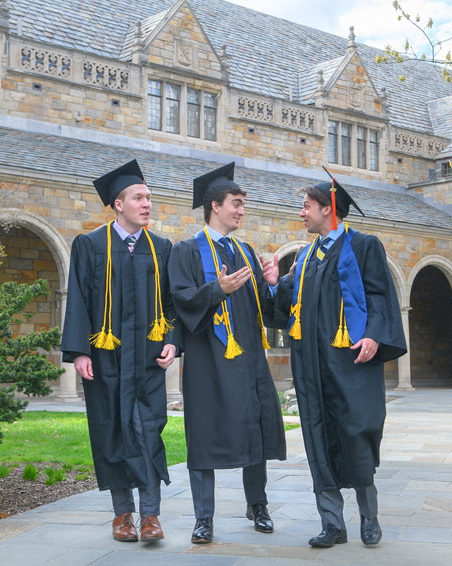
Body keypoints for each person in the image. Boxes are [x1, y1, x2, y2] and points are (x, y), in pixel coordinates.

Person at [273, 178, 407, 548]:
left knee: (356, 436)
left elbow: (381, 297)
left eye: (306, 207)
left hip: (351, 364)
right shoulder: (304, 257)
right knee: (317, 439)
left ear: (327, 208)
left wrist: (374, 335)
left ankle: (368, 516)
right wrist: (275, 284)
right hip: (312, 367)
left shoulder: (363, 246)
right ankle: (332, 523)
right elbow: (287, 310)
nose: (301, 213)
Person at [61, 159, 180, 543]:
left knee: (147, 432)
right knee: (111, 430)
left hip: (146, 360)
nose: (147, 204)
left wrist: (173, 342)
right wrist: (79, 351)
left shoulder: (161, 248)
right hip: (105, 358)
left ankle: (150, 515)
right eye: (139, 197)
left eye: (149, 198)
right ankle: (122, 515)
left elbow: (172, 303)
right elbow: (78, 299)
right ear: (118, 203)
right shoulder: (90, 245)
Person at [167, 162, 286, 544]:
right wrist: (217, 289)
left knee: (256, 429)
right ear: (214, 206)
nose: (241, 210)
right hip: (208, 362)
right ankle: (204, 518)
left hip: (249, 358)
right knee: (204, 436)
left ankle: (259, 504)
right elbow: (181, 302)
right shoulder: (185, 252)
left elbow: (266, 313)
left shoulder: (246, 251)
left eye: (243, 204)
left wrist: (272, 284)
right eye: (236, 203)